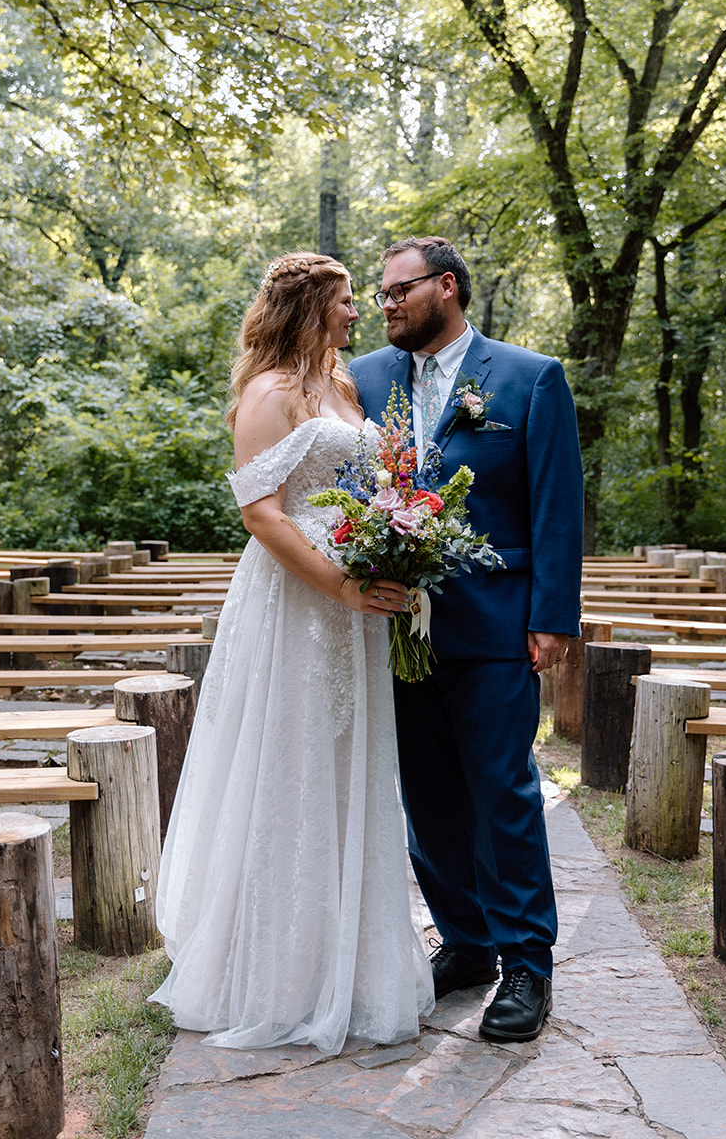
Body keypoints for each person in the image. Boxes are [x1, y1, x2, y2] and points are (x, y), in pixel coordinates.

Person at [150, 251, 434, 1053]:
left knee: (353, 768)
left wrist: (394, 554)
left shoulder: (343, 389)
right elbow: (264, 514)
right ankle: (280, 972)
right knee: (293, 762)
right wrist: (339, 585)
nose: (358, 313)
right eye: (346, 302)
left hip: (358, 607)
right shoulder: (267, 394)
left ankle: (356, 960)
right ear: (310, 306)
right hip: (297, 604)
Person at [349, 235, 584, 1044]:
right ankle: (466, 941)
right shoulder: (364, 381)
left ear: (446, 288)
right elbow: (346, 492)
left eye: (397, 290)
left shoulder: (529, 377)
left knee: (503, 795)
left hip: (494, 627)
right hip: (394, 627)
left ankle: (527, 964)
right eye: (379, 293)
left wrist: (552, 617)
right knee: (428, 797)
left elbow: (558, 505)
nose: (384, 304)